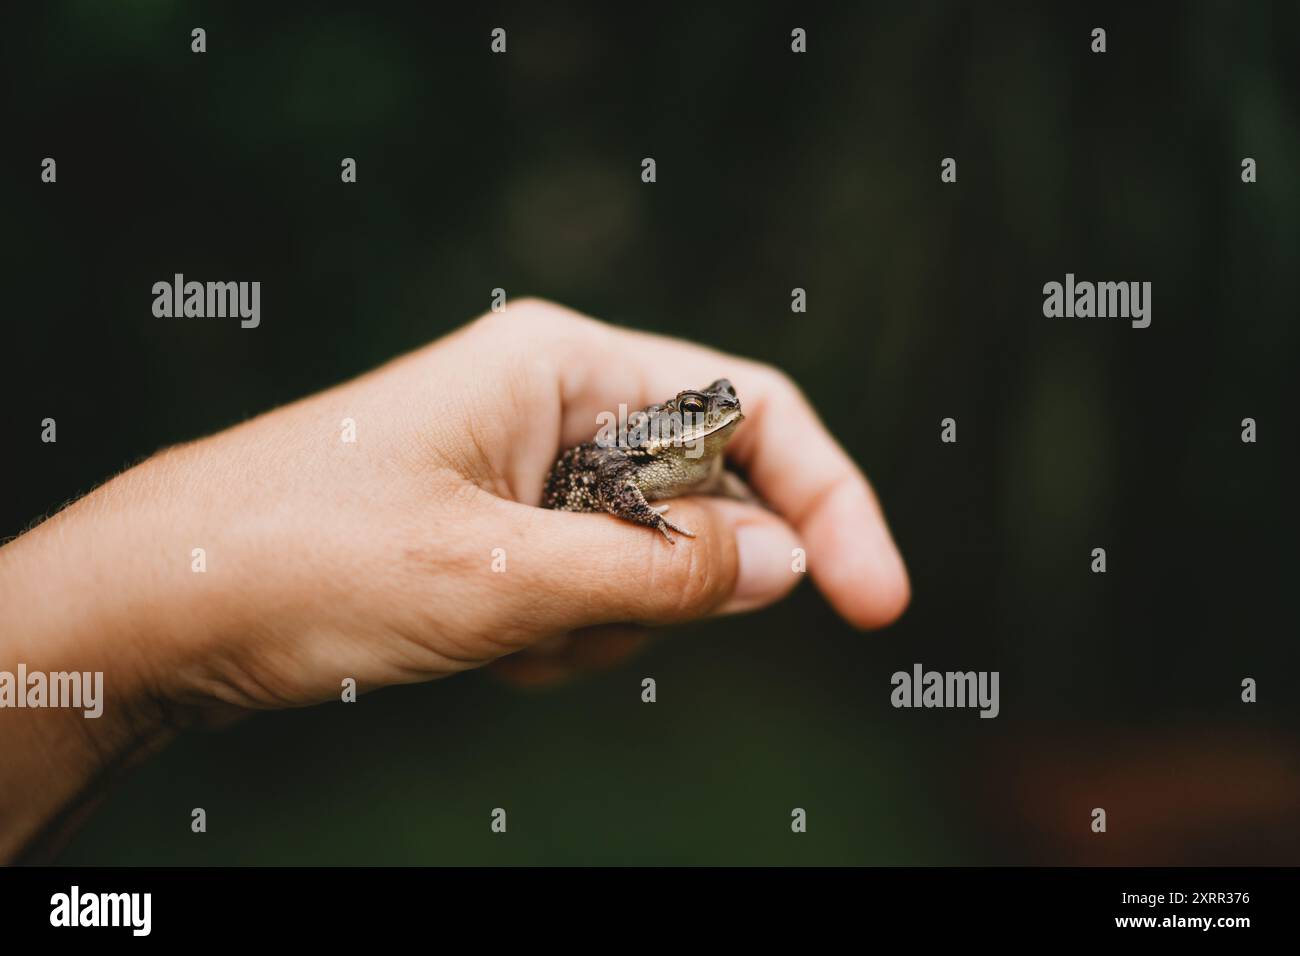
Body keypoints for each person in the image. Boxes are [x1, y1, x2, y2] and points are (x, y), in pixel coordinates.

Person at [0, 299, 909, 861]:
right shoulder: (650, 440)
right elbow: (607, 474)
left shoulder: (705, 448)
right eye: (701, 407)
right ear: (677, 415)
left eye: (719, 408)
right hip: (590, 485)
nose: (716, 415)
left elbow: (710, 456)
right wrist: (668, 537)